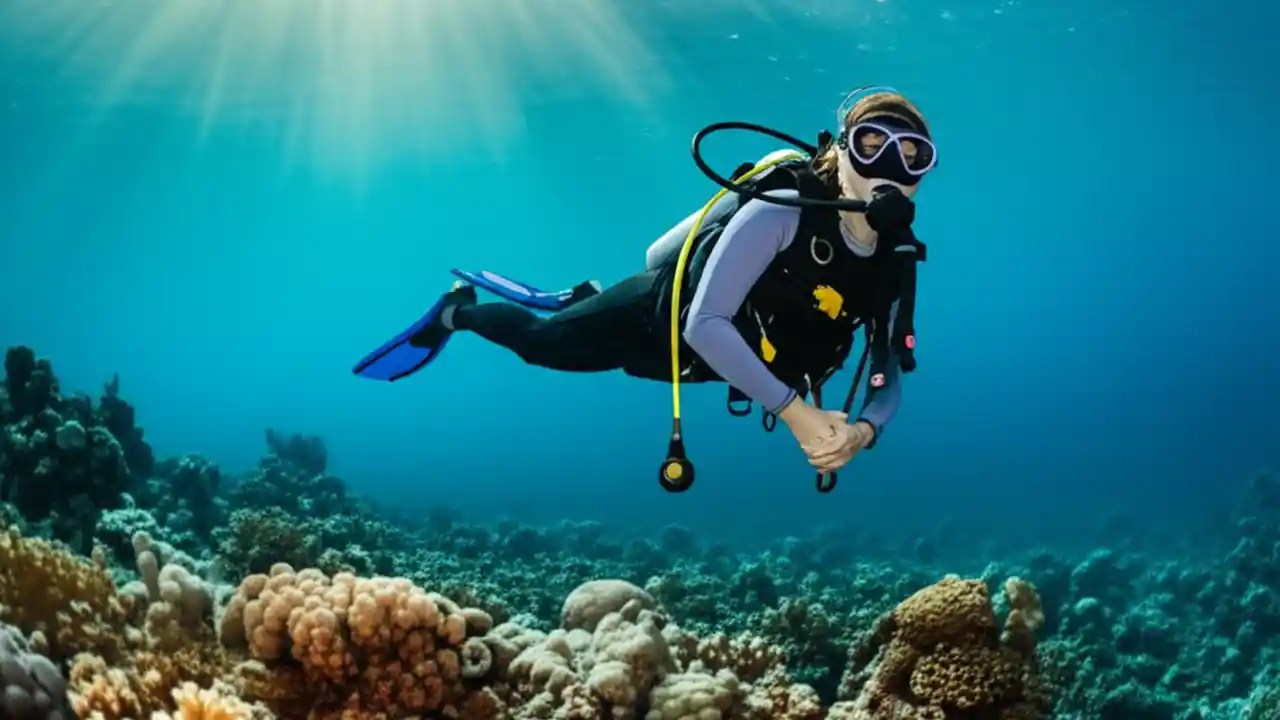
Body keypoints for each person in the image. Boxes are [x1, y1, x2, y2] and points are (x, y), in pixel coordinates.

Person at [353, 85, 937, 487]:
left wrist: (864, 431)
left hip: (705, 367)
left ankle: (582, 297)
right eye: (872, 145)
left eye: (912, 156)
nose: (890, 168)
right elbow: (704, 323)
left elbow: (886, 369)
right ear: (842, 152)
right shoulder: (783, 210)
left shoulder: (894, 262)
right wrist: (797, 414)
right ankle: (457, 312)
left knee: (584, 344)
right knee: (541, 345)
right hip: (657, 318)